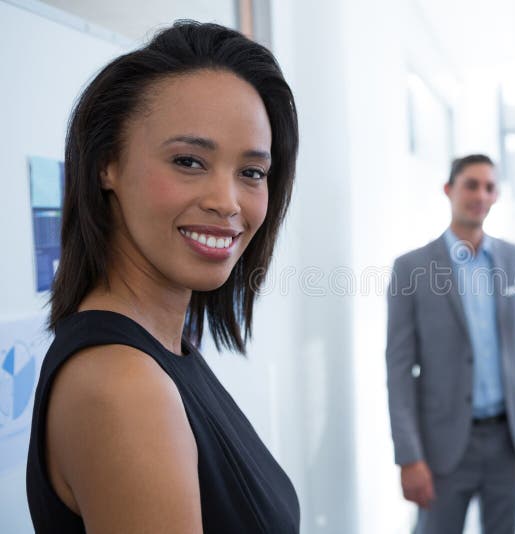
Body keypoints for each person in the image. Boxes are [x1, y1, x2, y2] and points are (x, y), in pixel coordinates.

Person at [26, 21, 299, 533]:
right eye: (189, 161)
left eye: (252, 172)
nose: (227, 201)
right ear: (107, 164)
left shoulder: (164, 352)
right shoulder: (123, 386)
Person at [386, 154, 515, 534]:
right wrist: (409, 457)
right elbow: (398, 371)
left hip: (507, 441)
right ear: (449, 190)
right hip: (443, 445)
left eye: (489, 187)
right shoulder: (411, 269)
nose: (480, 195)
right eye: (471, 184)